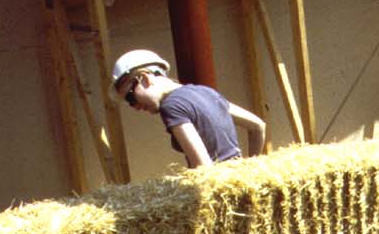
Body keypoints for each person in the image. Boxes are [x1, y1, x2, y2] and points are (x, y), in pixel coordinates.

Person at [111, 48, 265, 167]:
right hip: (235, 183)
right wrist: (248, 170)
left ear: (145, 78)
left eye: (130, 98)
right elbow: (258, 126)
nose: (135, 107)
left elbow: (204, 168)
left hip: (216, 197)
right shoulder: (206, 92)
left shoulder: (171, 106)